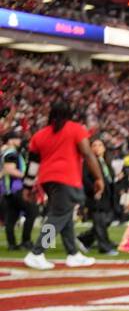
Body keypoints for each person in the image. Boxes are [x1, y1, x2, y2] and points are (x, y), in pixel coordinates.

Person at [24, 101, 104, 271]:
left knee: (65, 216)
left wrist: (27, 187)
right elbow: (88, 154)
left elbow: (32, 164)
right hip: (67, 179)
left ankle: (73, 254)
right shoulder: (76, 129)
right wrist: (99, 178)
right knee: (57, 216)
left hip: (47, 180)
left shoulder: (39, 135)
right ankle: (37, 252)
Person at [77, 137, 116, 254]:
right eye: (94, 145)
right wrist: (94, 190)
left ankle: (85, 239)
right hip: (95, 196)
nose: (97, 148)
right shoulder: (88, 162)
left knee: (106, 221)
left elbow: (110, 179)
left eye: (100, 145)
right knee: (99, 221)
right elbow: (85, 178)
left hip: (107, 196)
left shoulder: (106, 162)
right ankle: (104, 246)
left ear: (104, 148)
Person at [2, 130, 36, 252]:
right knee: (32, 211)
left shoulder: (6, 152)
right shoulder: (11, 153)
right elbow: (9, 169)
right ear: (11, 140)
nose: (20, 141)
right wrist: (26, 177)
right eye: (17, 138)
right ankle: (26, 241)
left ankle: (12, 244)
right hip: (16, 188)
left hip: (8, 190)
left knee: (11, 216)